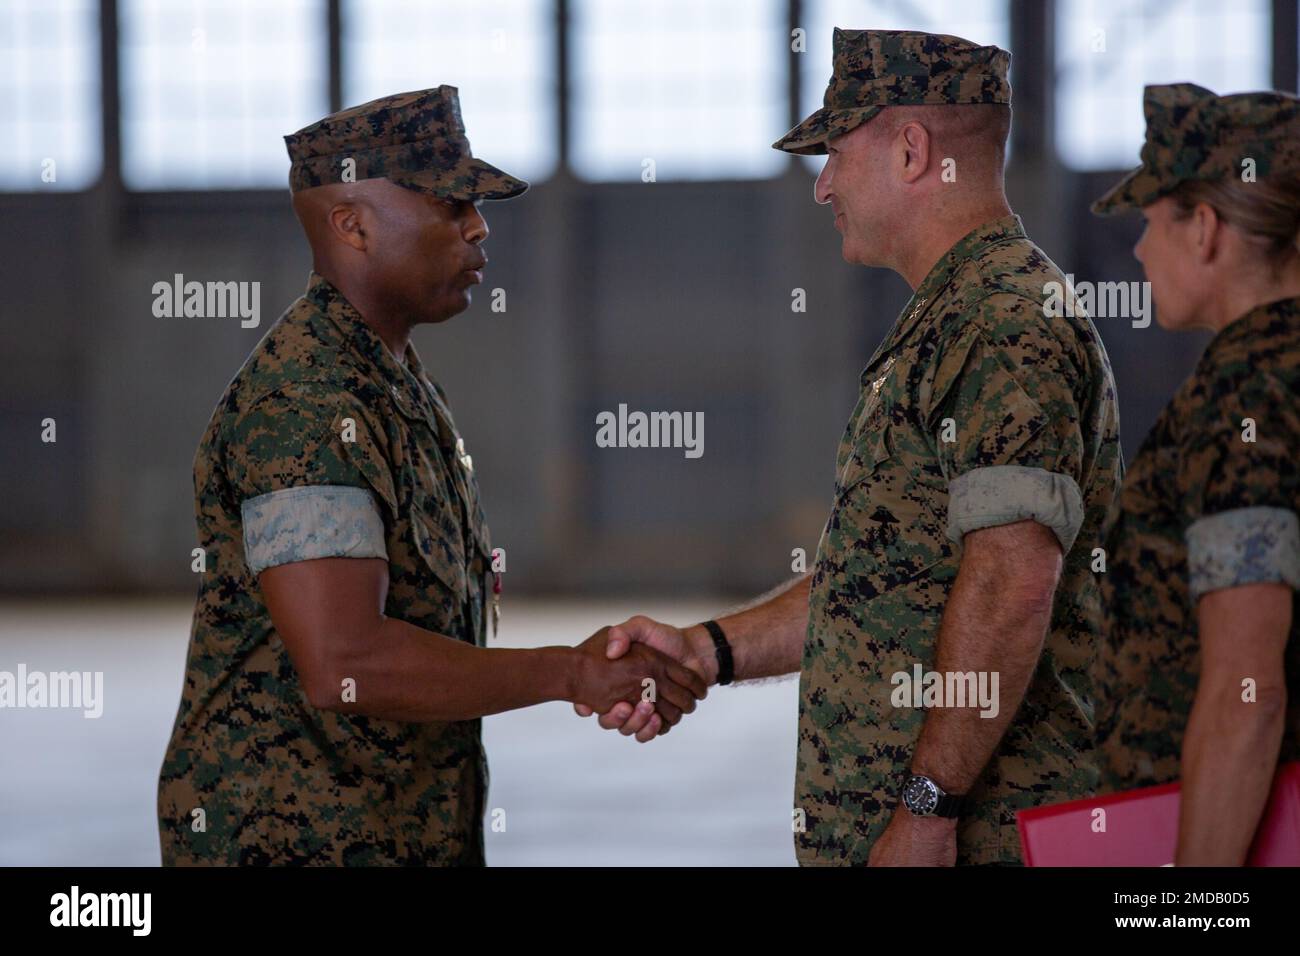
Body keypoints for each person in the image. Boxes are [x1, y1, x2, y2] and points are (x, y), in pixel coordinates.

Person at [580, 28, 1123, 866]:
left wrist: (928, 810)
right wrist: (708, 651)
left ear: (911, 151)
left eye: (835, 154)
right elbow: (883, 582)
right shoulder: (956, 314)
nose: (822, 185)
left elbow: (1013, 581)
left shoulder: (1000, 320)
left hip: (982, 842)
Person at [157, 86, 705, 866]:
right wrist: (572, 673)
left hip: (391, 827)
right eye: (451, 205)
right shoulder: (306, 402)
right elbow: (346, 661)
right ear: (351, 224)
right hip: (294, 841)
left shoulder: (391, 379)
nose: (478, 226)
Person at [1090, 83, 1300, 865]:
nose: (1141, 250)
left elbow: (1250, 692)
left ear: (1204, 227)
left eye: (1152, 221)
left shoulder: (1247, 389)